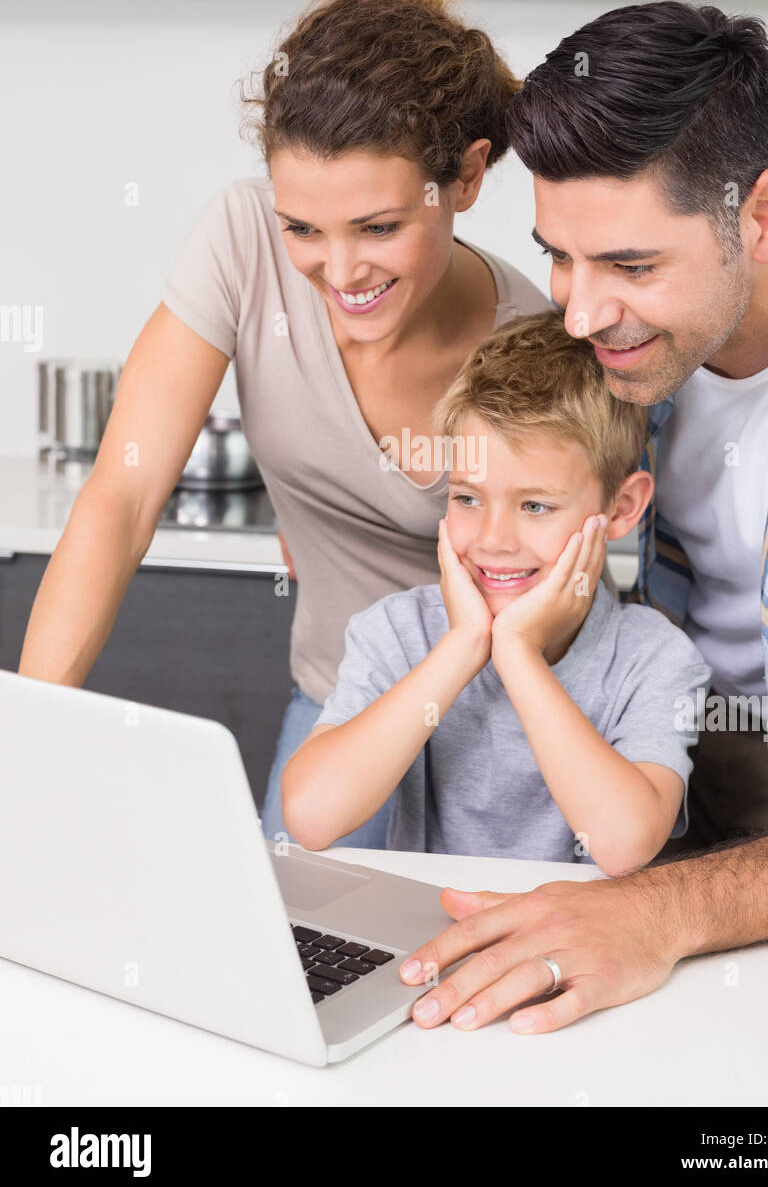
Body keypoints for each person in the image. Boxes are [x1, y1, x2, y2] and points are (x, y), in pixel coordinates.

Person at [394, 0, 768, 1037]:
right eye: (558, 255)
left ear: (761, 215)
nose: (576, 312)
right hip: (676, 813)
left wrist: (661, 909)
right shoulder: (619, 348)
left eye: (630, 265)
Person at [16, 0, 549, 851]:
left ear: (465, 178)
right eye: (303, 228)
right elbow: (123, 495)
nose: (340, 274)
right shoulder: (239, 239)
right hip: (338, 709)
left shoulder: (531, 340)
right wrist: (30, 737)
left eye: (379, 228)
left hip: (504, 736)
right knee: (299, 970)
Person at [282, 311, 714, 872]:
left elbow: (623, 844)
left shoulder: (654, 658)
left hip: (573, 949)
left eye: (535, 506)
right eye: (467, 498)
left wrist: (517, 653)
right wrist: (464, 646)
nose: (492, 541)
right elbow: (313, 816)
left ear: (621, 508)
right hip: (428, 940)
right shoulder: (399, 632)